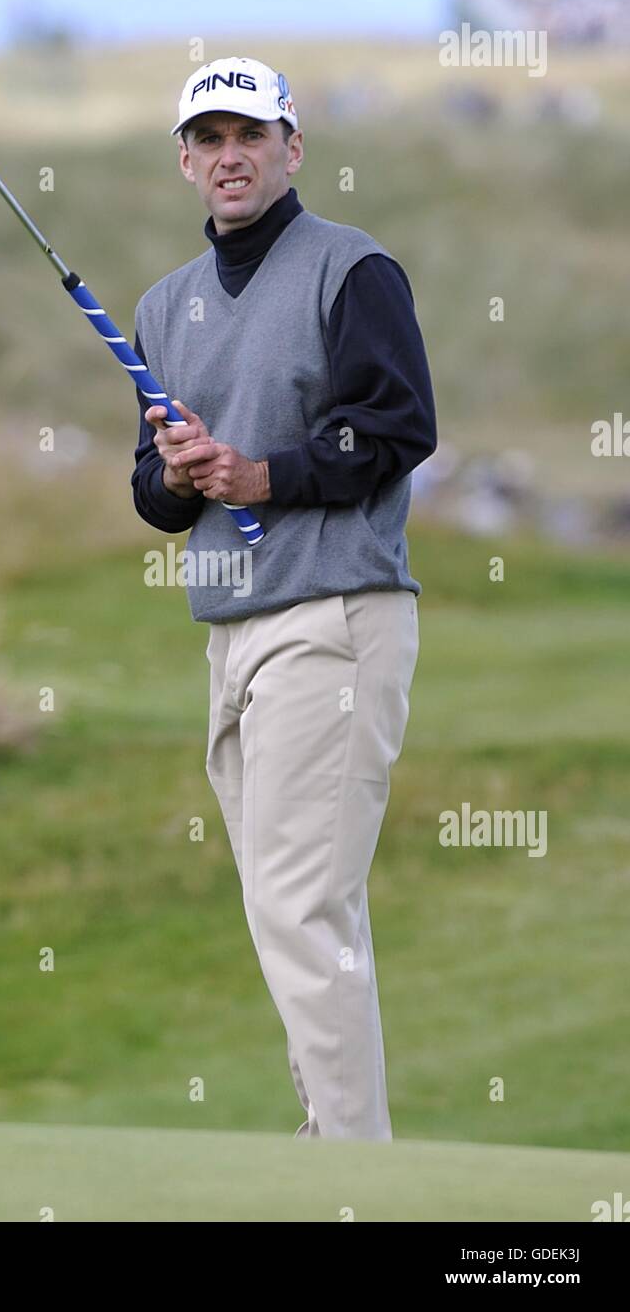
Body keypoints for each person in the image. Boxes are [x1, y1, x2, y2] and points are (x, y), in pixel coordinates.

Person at [130, 57, 437, 1141]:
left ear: (289, 148)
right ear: (184, 160)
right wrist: (176, 473)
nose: (229, 156)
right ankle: (329, 1144)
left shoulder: (350, 270)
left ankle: (354, 1171)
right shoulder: (163, 306)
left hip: (334, 617)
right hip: (228, 628)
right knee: (295, 906)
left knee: (296, 905)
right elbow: (150, 496)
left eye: (248, 136)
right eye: (207, 138)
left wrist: (266, 473)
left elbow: (398, 426)